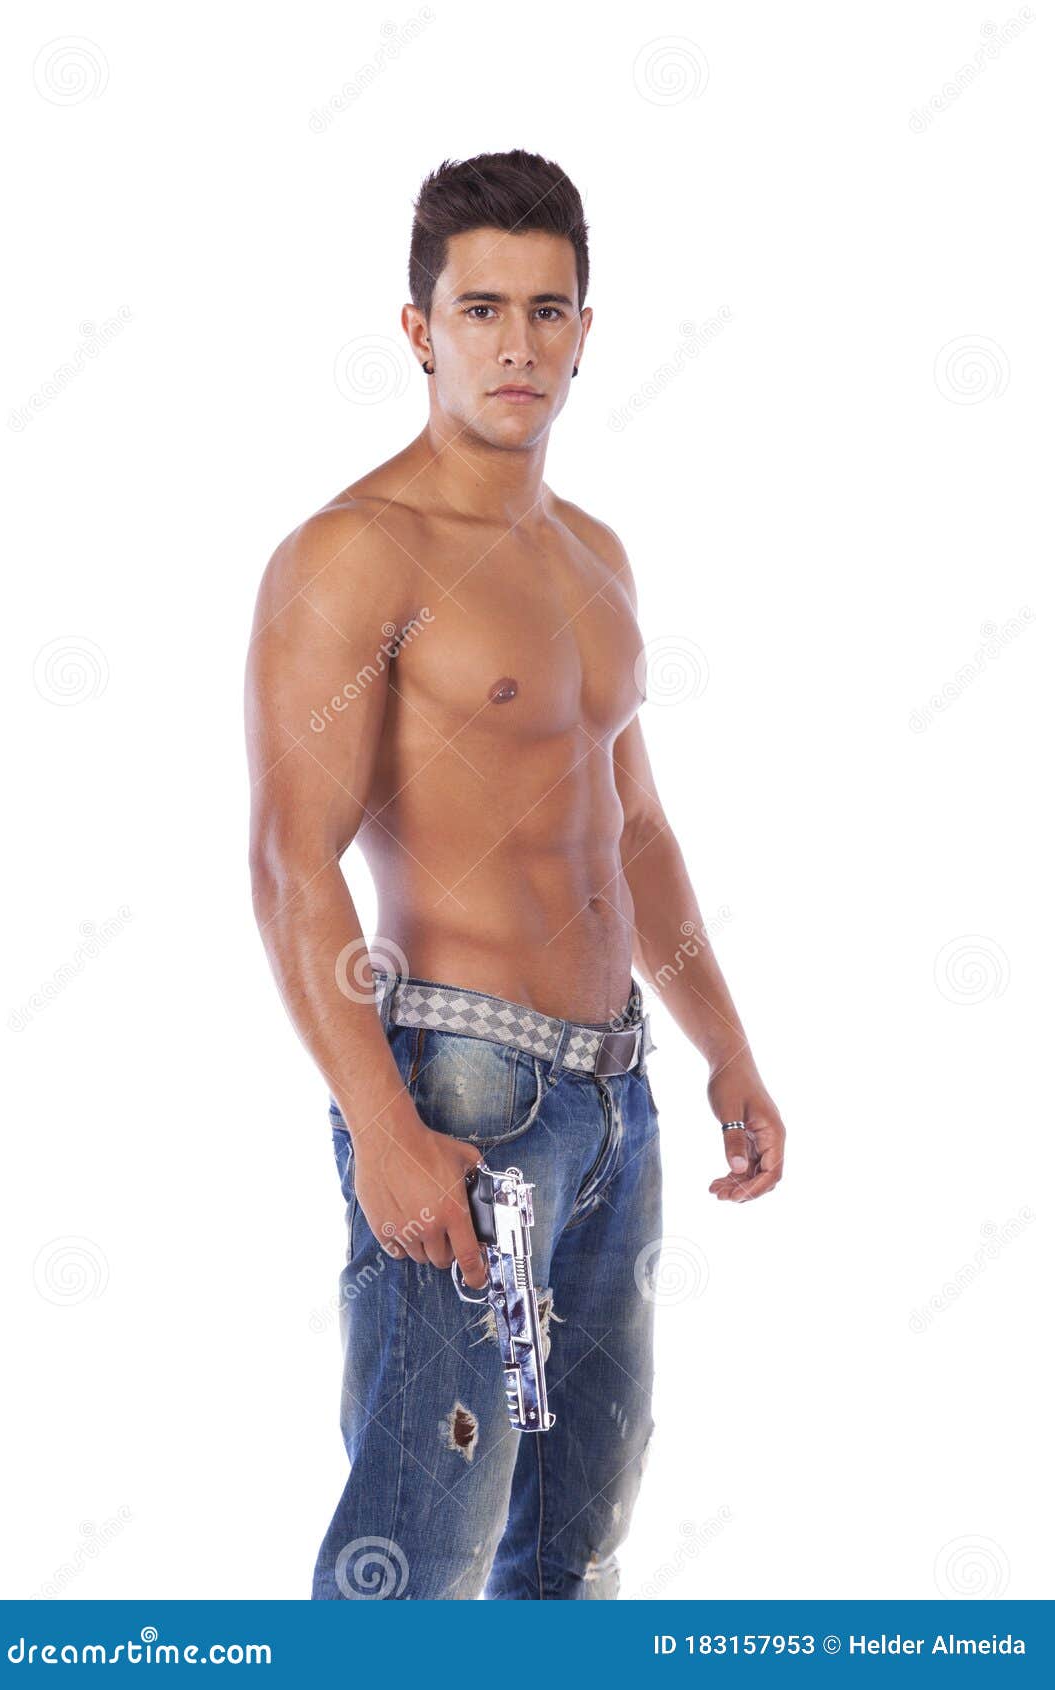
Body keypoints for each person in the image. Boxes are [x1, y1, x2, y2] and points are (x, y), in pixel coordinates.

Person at [244, 149, 786, 1600]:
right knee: (415, 1550)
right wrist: (383, 1129)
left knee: (573, 1546)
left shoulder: (594, 555)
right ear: (418, 327)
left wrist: (725, 1044)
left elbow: (640, 831)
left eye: (549, 311)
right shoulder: (356, 553)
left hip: (621, 1093)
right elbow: (288, 861)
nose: (517, 345)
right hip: (462, 1093)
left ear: (585, 330)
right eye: (481, 309)